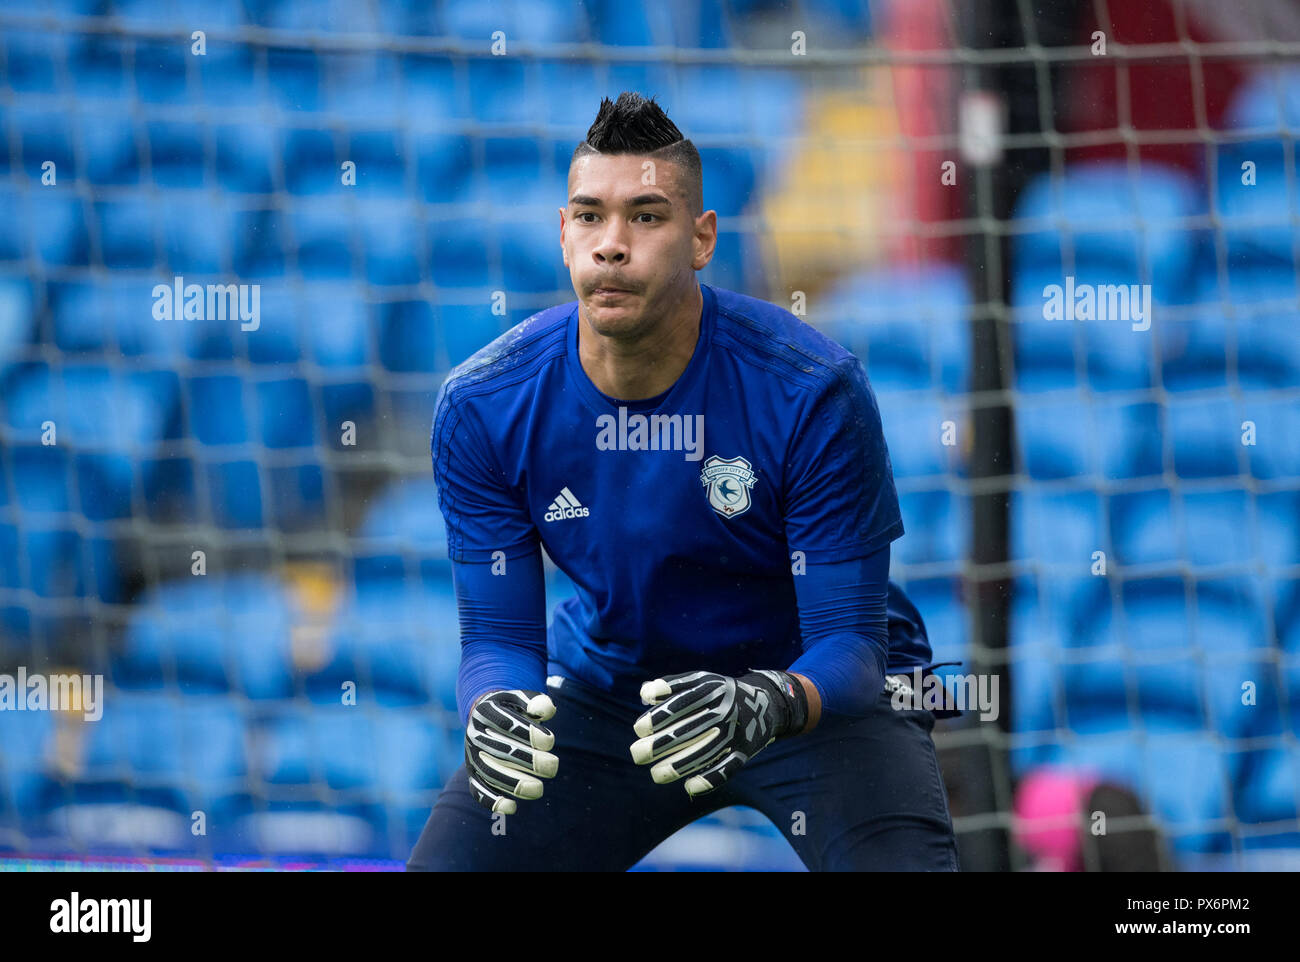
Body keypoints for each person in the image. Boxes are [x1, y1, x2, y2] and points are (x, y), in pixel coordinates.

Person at [406, 92, 958, 871]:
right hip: (612, 691)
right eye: (590, 216)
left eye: (647, 216)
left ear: (702, 240)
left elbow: (851, 643)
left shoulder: (811, 389)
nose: (612, 246)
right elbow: (498, 639)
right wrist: (494, 710)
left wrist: (766, 702)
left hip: (806, 694)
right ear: (563, 234)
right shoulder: (483, 404)